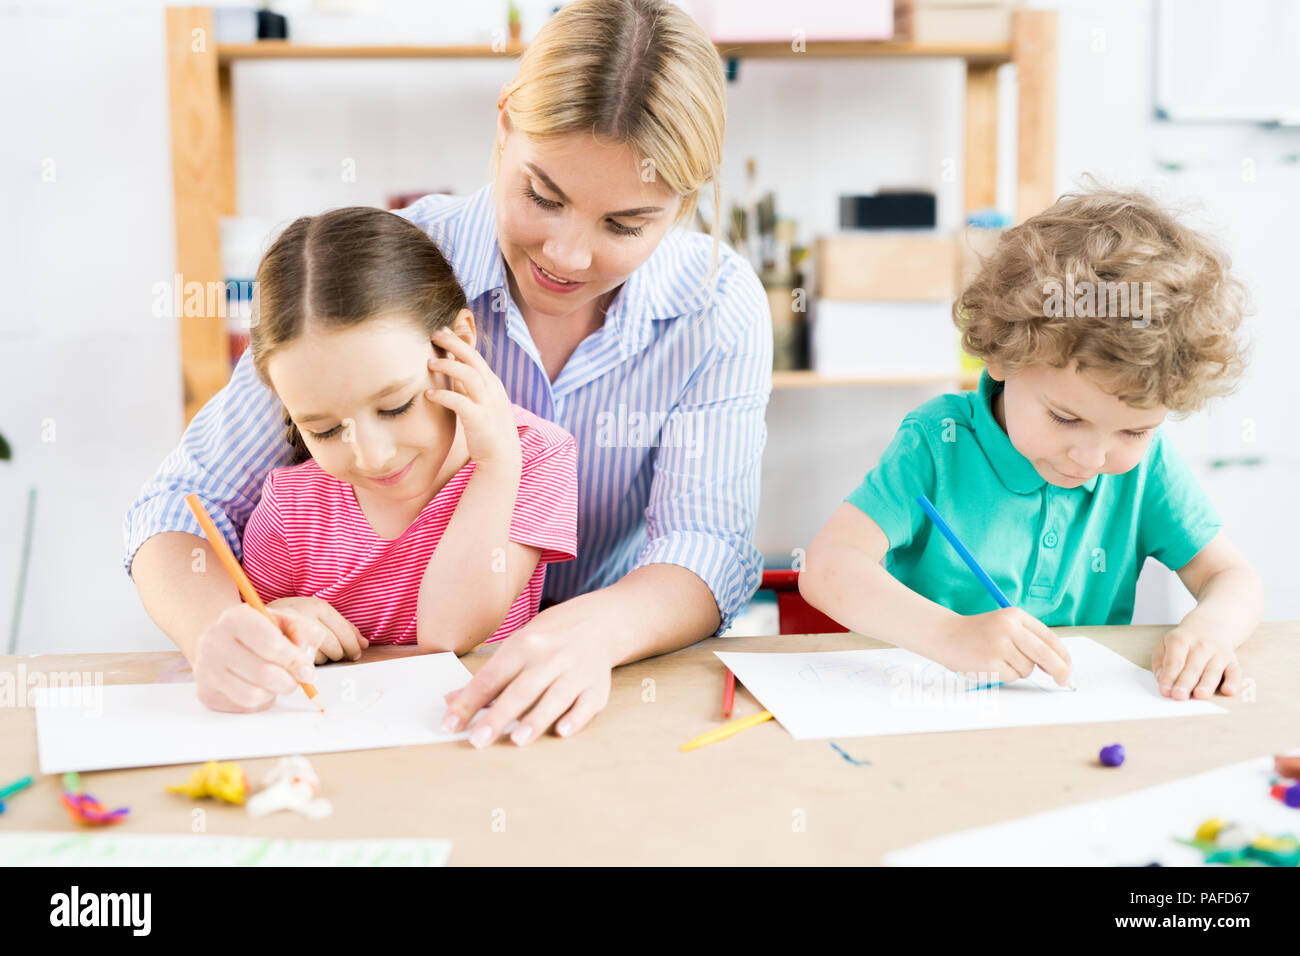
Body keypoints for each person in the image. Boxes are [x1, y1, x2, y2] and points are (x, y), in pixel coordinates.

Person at [123, 0, 772, 744]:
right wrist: (221, 630)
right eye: (542, 195)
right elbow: (181, 502)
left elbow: (707, 543)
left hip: (605, 686)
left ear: (687, 202)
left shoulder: (718, 307)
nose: (566, 255)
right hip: (373, 696)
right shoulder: (397, 264)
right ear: (504, 126)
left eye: (625, 225)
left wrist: (595, 631)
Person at [800, 186, 1263, 700]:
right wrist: (950, 636)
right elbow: (827, 567)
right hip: (923, 712)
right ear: (999, 354)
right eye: (1066, 418)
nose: (1091, 457)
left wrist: (1212, 630)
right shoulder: (938, 442)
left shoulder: (1146, 468)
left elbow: (1231, 575)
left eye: (1133, 430)